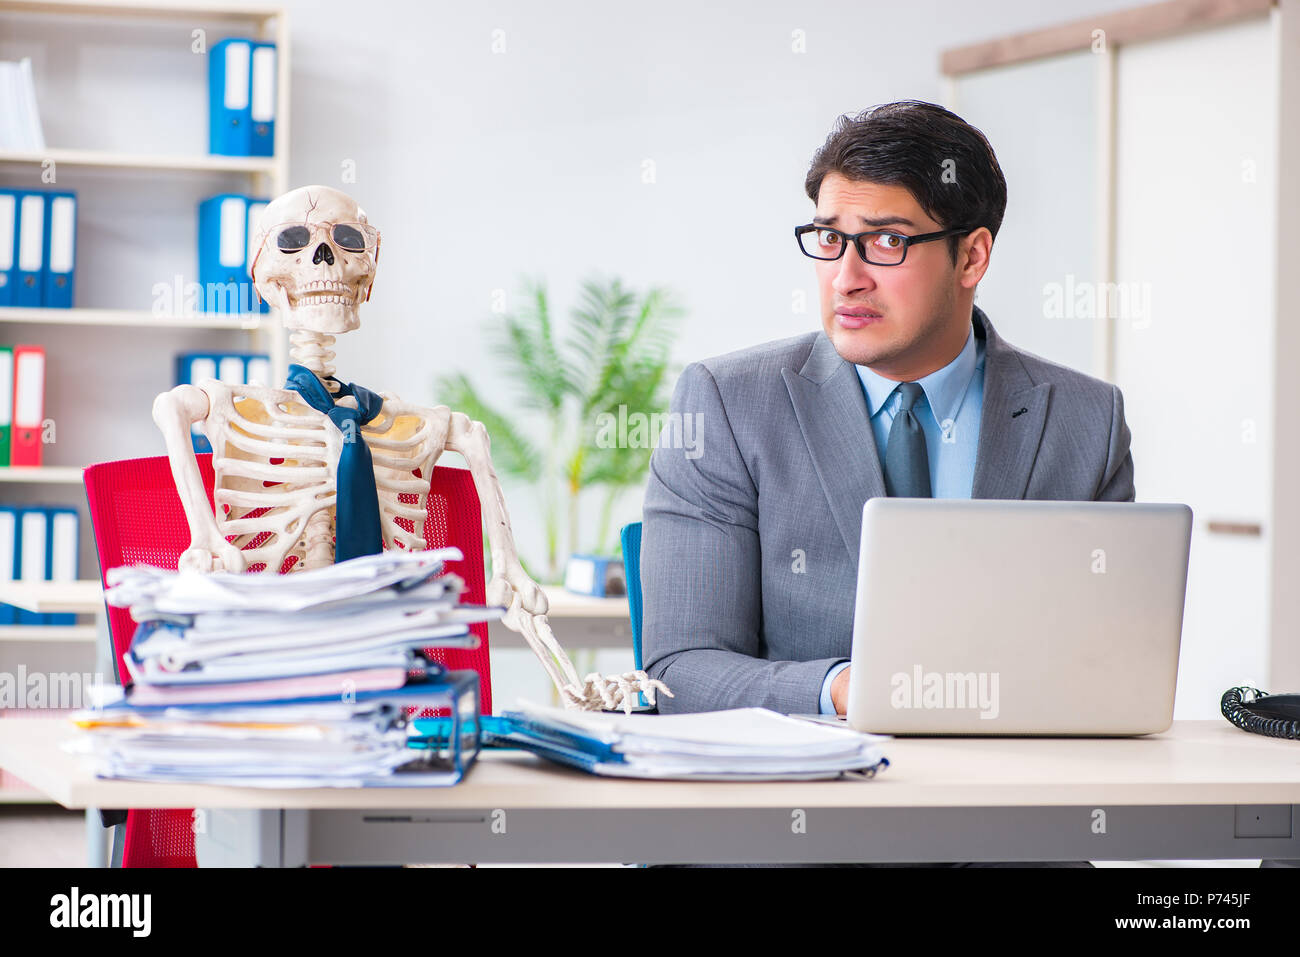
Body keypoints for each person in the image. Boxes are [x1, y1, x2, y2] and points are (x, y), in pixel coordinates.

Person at [640, 102, 1130, 868]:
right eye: (830, 239)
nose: (847, 277)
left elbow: (1108, 674)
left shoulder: (1084, 421)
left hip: (1006, 834)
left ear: (971, 257)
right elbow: (678, 670)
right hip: (791, 839)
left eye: (888, 242)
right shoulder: (728, 404)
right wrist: (844, 687)